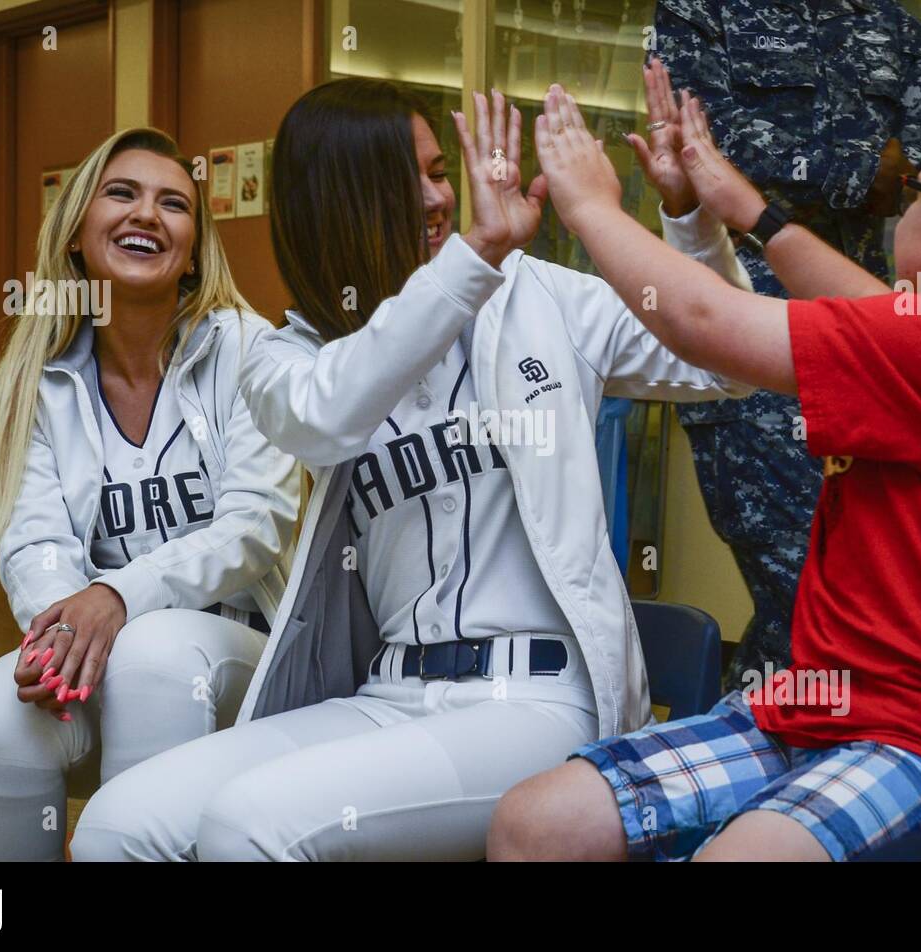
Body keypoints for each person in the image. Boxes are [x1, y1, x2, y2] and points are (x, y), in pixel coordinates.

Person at [69, 76, 752, 862]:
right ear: (347, 195)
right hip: (388, 693)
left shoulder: (542, 299)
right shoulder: (287, 355)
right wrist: (473, 259)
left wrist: (688, 218)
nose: (440, 196)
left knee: (247, 826)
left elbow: (720, 364)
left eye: (441, 172)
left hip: (536, 699)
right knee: (116, 828)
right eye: (416, 175)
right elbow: (329, 413)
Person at [489, 78, 921, 861]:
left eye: (916, 186)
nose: (900, 204)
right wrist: (743, 209)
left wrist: (591, 207)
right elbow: (862, 304)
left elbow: (703, 320)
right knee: (535, 825)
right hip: (813, 711)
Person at [0, 128, 301, 861]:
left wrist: (116, 597)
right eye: (122, 194)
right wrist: (60, 636)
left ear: (195, 248)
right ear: (77, 233)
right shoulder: (32, 385)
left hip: (250, 660)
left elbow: (254, 526)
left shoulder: (248, 350)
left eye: (174, 204)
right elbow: (36, 542)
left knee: (156, 651)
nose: (148, 214)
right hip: (109, 655)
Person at [651, 0, 921, 687]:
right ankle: (763, 759)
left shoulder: (889, 21)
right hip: (752, 345)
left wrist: (811, 173)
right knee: (805, 592)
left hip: (864, 332)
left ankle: (756, 748)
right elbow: (706, 149)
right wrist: (864, 167)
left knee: (859, 592)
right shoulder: (702, 12)